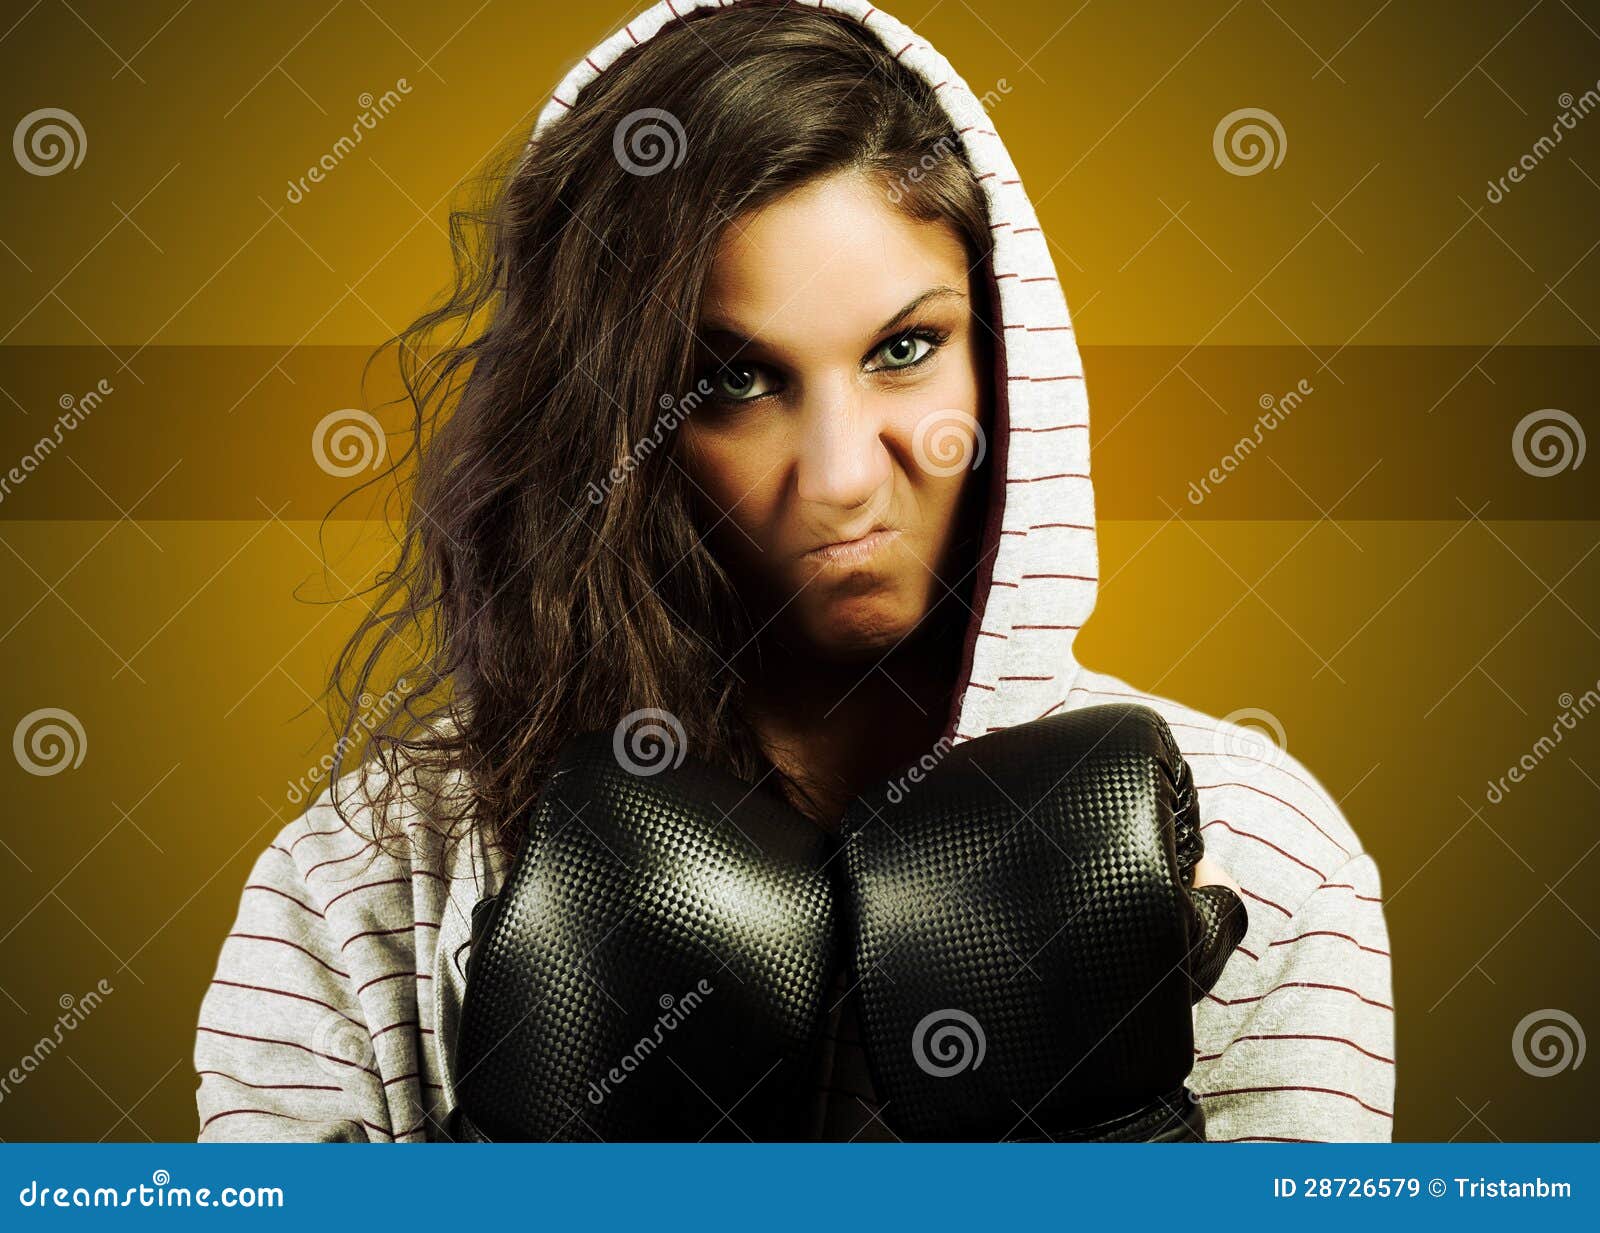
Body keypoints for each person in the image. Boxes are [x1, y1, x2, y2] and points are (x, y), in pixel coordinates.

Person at [192, 0, 1393, 1143]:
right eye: (734, 380)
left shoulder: (1252, 842)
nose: (839, 478)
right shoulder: (373, 874)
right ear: (607, 421)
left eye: (905, 349)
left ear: (1004, 353)